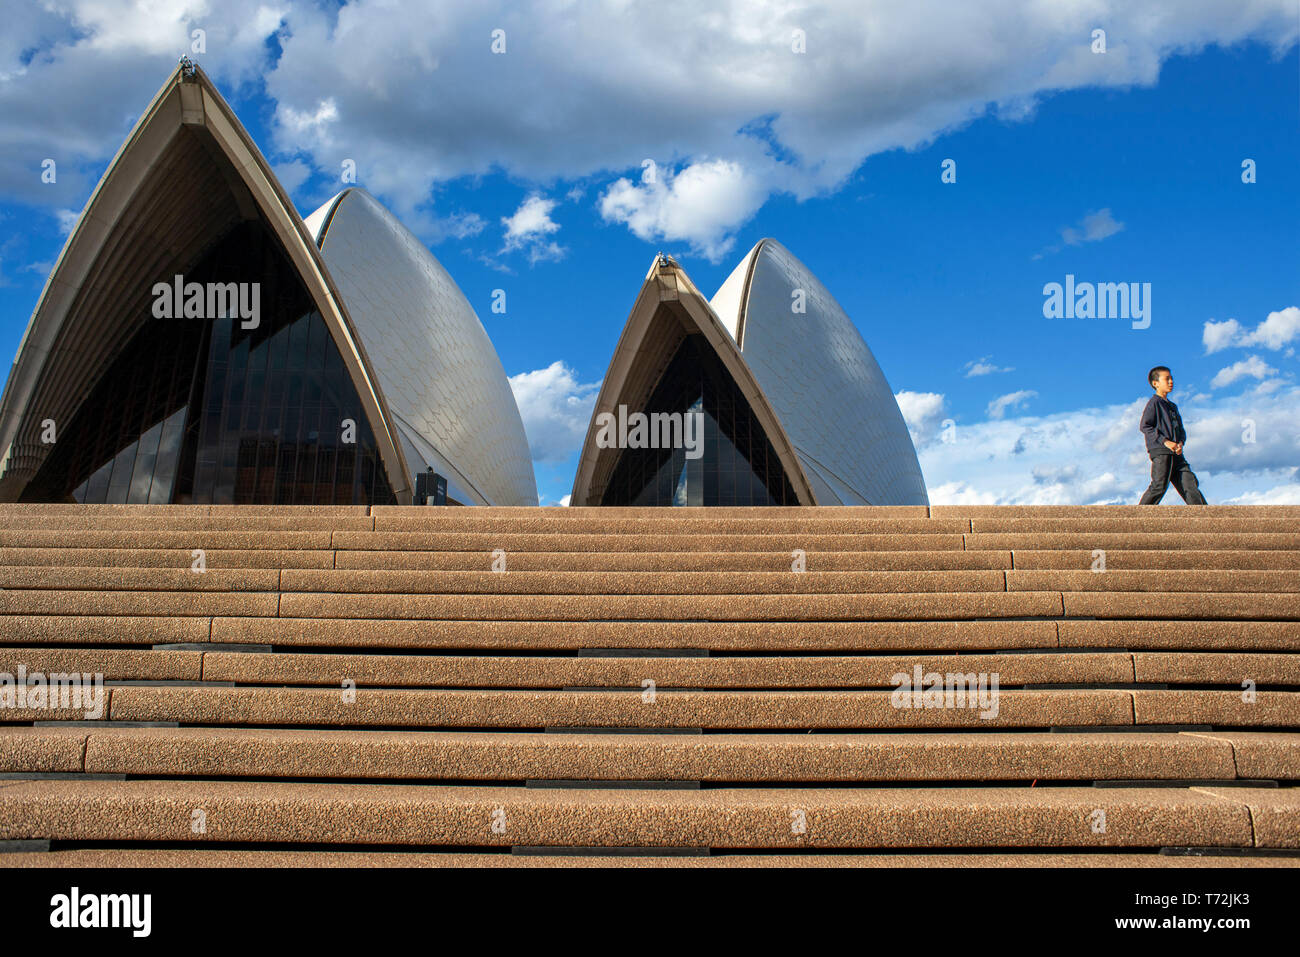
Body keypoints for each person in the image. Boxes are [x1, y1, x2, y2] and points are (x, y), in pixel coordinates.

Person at [1137, 365, 1207, 505]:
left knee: (1190, 485)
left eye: (1172, 378)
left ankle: (1205, 519)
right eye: (1166, 379)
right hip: (1162, 452)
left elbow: (1180, 429)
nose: (1171, 382)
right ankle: (1136, 519)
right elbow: (1145, 426)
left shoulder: (1173, 406)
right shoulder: (1154, 403)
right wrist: (1165, 442)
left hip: (1177, 453)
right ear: (1155, 383)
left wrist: (1180, 442)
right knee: (1159, 486)